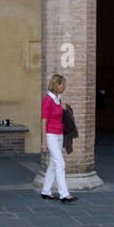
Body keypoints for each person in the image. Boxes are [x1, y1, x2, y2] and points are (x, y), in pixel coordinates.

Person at [40, 74, 76, 204]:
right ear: (56, 85)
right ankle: (64, 194)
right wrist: (44, 142)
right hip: (50, 135)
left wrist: (64, 108)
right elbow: (43, 121)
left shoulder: (58, 99)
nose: (64, 86)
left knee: (54, 164)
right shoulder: (48, 100)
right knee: (60, 163)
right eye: (62, 84)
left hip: (59, 134)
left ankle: (46, 191)